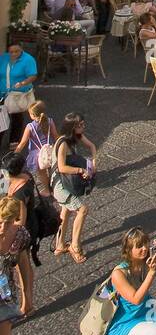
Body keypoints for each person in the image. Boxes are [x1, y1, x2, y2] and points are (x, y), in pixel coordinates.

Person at [51, 113, 96, 264]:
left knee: (66, 211)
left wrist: (94, 162)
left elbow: (92, 146)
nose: (83, 127)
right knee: (82, 210)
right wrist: (80, 170)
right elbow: (62, 167)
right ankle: (75, 245)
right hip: (60, 184)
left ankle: (60, 244)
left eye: (83, 124)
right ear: (72, 127)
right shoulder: (63, 143)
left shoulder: (76, 136)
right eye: (80, 125)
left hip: (66, 181)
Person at [0, 197, 27, 335]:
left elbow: (23, 266)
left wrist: (27, 296)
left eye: (8, 221)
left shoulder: (19, 235)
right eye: (0, 221)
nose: (3, 227)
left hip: (4, 294)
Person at [3, 152, 37, 313]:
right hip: (24, 227)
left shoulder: (20, 192)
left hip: (22, 233)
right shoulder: (26, 176)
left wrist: (6, 229)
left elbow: (20, 223)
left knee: (22, 266)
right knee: (23, 265)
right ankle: (27, 301)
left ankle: (27, 302)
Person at [0, 44, 39, 156]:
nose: (13, 54)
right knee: (2, 117)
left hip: (18, 94)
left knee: (16, 117)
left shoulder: (28, 59)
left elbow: (33, 76)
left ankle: (14, 140)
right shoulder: (3, 58)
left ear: (21, 49)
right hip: (3, 93)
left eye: (16, 51)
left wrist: (23, 83)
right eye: (11, 51)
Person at [16, 101, 57, 194]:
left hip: (37, 154)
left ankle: (46, 190)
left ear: (33, 115)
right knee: (52, 170)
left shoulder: (30, 126)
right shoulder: (50, 121)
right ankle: (55, 189)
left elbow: (22, 143)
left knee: (42, 173)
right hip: (50, 150)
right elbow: (55, 136)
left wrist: (16, 152)